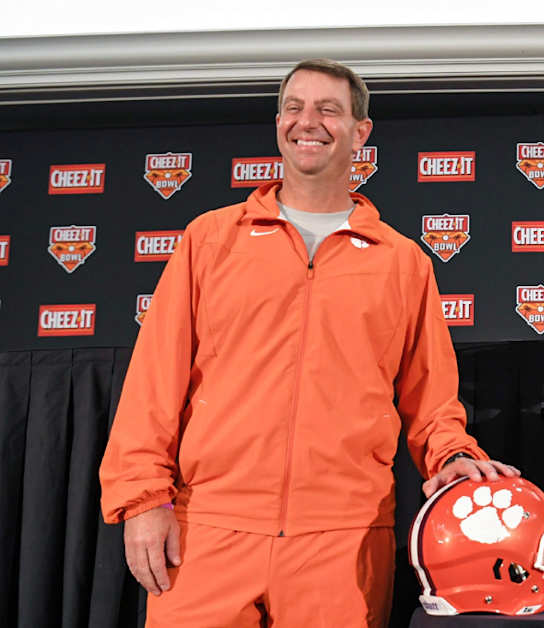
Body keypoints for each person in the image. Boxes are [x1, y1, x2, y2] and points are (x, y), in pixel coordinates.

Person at [98, 59, 517, 627]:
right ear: (278, 123)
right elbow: (154, 382)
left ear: (360, 131)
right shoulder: (211, 239)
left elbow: (432, 401)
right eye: (294, 107)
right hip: (210, 529)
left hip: (343, 540)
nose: (308, 121)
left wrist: (456, 457)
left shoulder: (404, 262)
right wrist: (144, 500)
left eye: (328, 109)